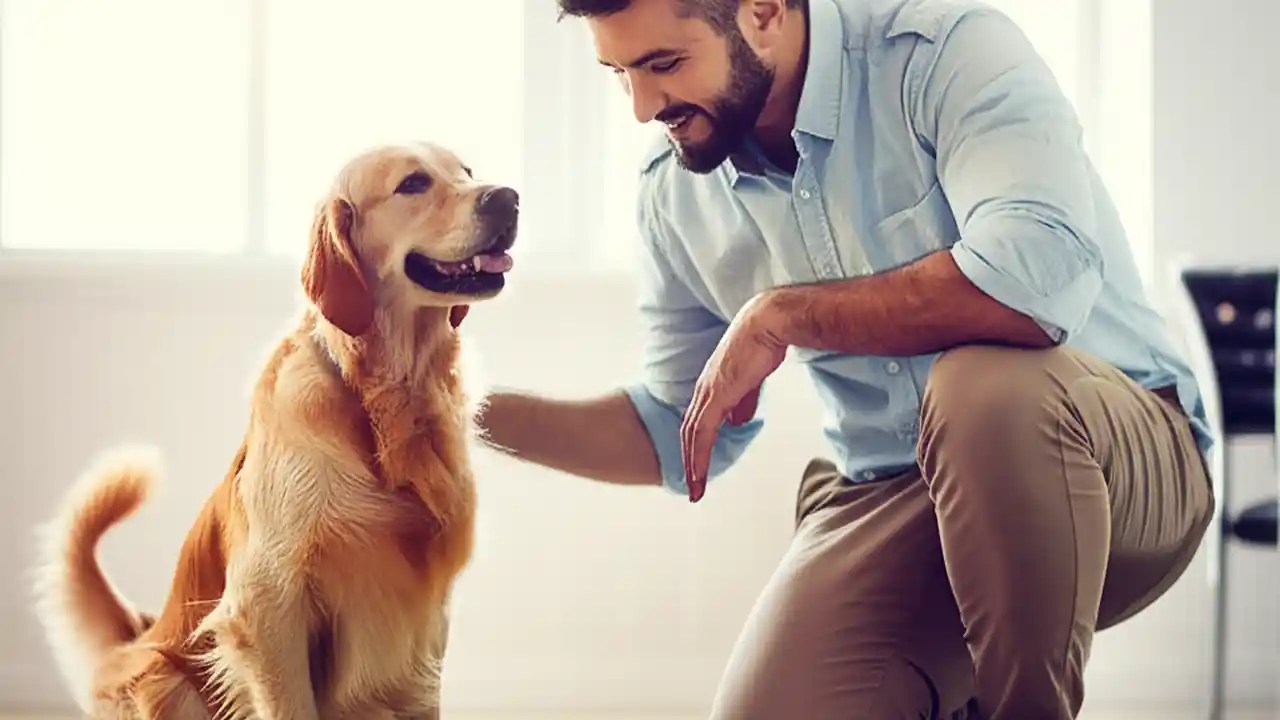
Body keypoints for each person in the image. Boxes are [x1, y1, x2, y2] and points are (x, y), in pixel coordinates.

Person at [474, 0, 1217, 717]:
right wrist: (453, 412)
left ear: (763, 11)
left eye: (663, 62)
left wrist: (784, 314)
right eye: (618, 72)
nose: (642, 106)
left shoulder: (945, 52)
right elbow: (678, 432)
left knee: (982, 387)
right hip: (895, 495)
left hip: (1117, 460)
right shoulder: (674, 196)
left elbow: (1031, 285)